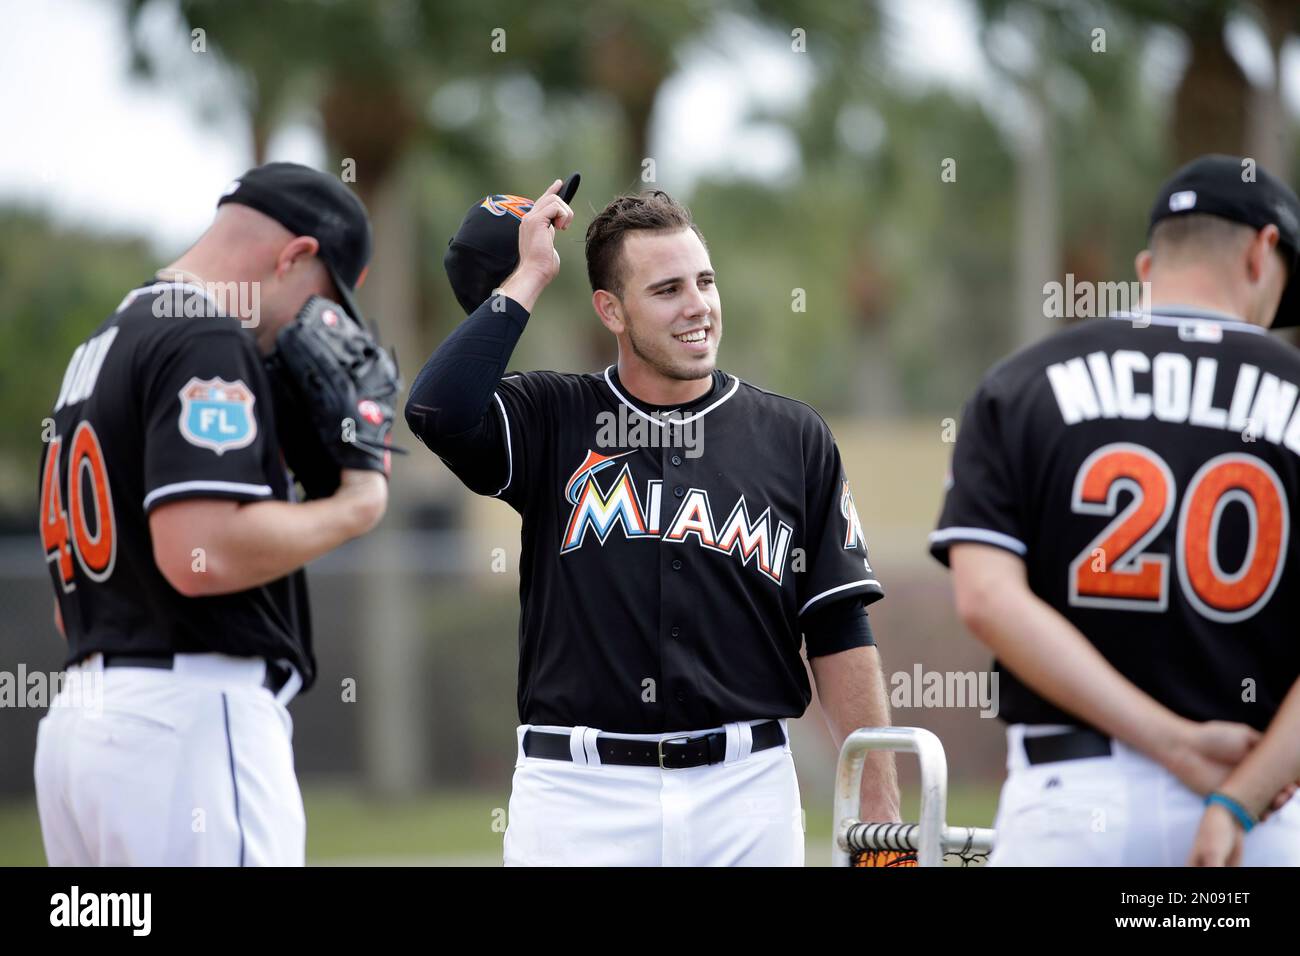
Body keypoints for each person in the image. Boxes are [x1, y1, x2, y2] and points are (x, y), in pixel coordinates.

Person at [405, 181, 899, 866]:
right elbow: (437, 410)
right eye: (667, 290)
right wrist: (532, 273)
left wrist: (881, 807)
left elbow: (839, 627)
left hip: (745, 792)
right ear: (611, 310)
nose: (698, 306)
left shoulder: (793, 437)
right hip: (579, 795)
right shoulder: (553, 416)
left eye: (705, 281)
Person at [931, 154, 1300, 866]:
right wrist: (1236, 797)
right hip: (1261, 816)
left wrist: (1170, 743)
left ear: (1146, 268)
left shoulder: (1022, 384)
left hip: (1071, 804)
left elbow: (984, 599)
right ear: (1262, 253)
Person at [34, 162, 390, 866]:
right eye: (321, 301)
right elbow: (201, 553)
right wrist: (355, 504)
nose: (313, 328)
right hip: (185, 722)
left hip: (87, 729)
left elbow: (71, 602)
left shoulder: (105, 343)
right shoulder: (207, 335)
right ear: (296, 256)